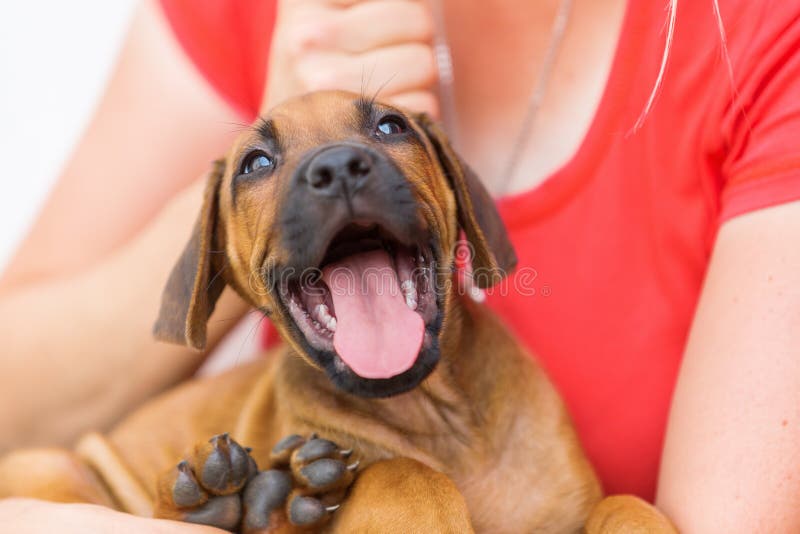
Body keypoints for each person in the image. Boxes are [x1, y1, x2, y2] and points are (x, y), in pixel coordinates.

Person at [1, 0, 799, 531]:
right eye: (261, 164)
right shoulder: (259, 15)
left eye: (386, 129)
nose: (335, 168)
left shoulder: (756, 39)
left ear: (465, 207)